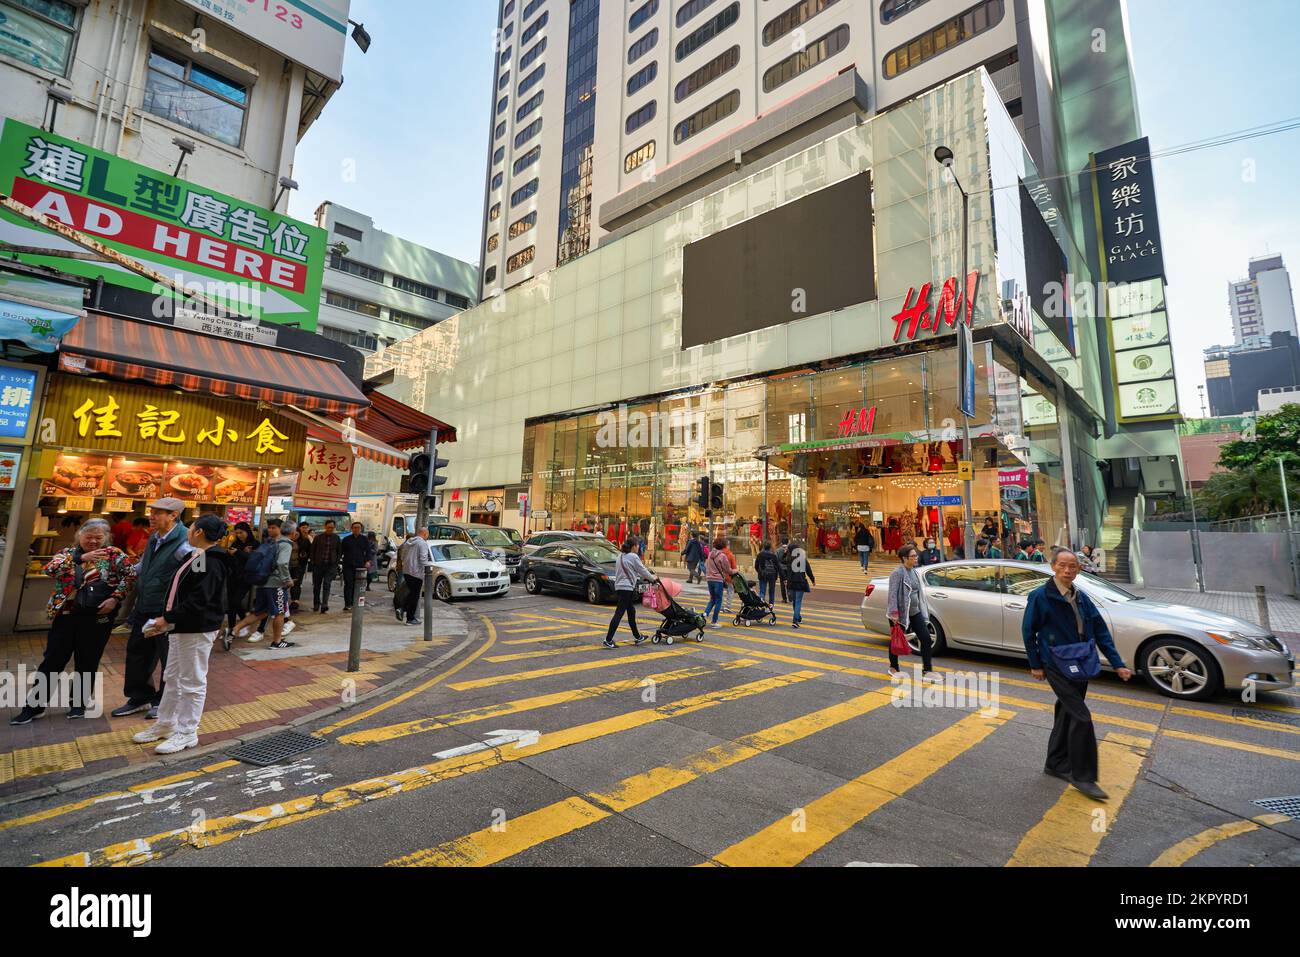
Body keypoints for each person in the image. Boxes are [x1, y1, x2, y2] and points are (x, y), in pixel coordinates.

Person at [1022, 547, 1132, 801]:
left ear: (1079, 569)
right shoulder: (1040, 596)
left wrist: (1117, 663)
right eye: (1063, 565)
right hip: (1055, 663)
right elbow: (1029, 632)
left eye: (1073, 566)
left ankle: (1055, 763)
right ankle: (1083, 777)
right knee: (1081, 718)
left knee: (1066, 712)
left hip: (1081, 661)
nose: (1068, 570)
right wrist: (1035, 664)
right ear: (1053, 567)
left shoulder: (1081, 597)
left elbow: (1101, 632)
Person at [10, 519, 135, 725]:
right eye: (89, 536)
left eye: (98, 537)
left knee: (88, 662)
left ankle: (78, 704)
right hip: (66, 616)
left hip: (98, 617)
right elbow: (49, 570)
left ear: (106, 538)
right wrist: (80, 558)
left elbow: (130, 576)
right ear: (79, 536)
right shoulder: (68, 553)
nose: (93, 541)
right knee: (52, 661)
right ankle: (33, 707)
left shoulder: (114, 554)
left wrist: (115, 598)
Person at [129, 514, 233, 755]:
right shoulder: (197, 555)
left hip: (197, 628)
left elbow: (199, 599)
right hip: (182, 626)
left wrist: (167, 618)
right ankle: (166, 723)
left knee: (192, 681)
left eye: (192, 527)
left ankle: (187, 732)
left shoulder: (211, 560)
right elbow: (182, 592)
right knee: (173, 676)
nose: (188, 530)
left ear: (198, 532)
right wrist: (168, 620)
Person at [111, 498, 190, 721]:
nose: (151, 516)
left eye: (158, 512)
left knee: (168, 658)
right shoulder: (155, 537)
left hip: (165, 609)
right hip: (144, 606)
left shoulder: (184, 540)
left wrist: (174, 611)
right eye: (151, 511)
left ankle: (165, 702)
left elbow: (189, 576)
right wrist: (120, 569)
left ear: (174, 515)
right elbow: (142, 566)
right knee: (138, 652)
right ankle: (139, 697)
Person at [232, 519, 295, 648]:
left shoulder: (269, 542)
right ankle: (277, 642)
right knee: (279, 613)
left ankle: (234, 630)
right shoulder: (285, 544)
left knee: (260, 612)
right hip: (275, 583)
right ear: (293, 532)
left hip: (262, 582)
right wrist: (287, 579)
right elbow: (282, 563)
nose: (271, 530)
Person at [886, 544, 940, 680]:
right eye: (913, 556)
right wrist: (894, 613)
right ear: (904, 558)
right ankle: (893, 667)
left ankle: (927, 670)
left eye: (916, 555)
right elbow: (892, 594)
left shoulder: (914, 571)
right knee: (896, 640)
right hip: (900, 614)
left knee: (926, 638)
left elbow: (918, 592)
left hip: (915, 612)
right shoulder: (897, 573)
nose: (916, 558)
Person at [603, 536, 656, 648]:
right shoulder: (633, 556)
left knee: (631, 612)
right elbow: (642, 570)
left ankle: (637, 636)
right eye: (637, 545)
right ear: (633, 547)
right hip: (627, 588)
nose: (638, 547)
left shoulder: (620, 556)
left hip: (620, 587)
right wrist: (653, 578)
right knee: (619, 613)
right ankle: (608, 639)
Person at [224, 522, 258, 637]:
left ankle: (244, 622)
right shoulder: (235, 543)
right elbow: (229, 558)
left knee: (236, 601)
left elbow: (254, 560)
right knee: (231, 605)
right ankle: (231, 628)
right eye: (237, 533)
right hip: (232, 576)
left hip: (246, 578)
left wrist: (238, 553)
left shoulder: (255, 544)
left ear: (247, 532)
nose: (239, 535)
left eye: (241, 532)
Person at [401, 527, 433, 625]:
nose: (427, 536)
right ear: (424, 534)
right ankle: (410, 618)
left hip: (406, 570)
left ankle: (403, 610)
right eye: (427, 534)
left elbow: (402, 556)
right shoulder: (422, 543)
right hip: (416, 572)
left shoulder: (408, 542)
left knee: (411, 593)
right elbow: (423, 559)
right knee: (414, 596)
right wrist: (429, 566)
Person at [310, 519, 343, 612]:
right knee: (316, 586)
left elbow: (339, 551)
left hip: (330, 566)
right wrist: (313, 562)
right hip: (318, 565)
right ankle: (316, 604)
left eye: (332, 528)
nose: (330, 529)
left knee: (327, 584)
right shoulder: (318, 538)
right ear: (325, 527)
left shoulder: (336, 538)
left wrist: (336, 562)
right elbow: (312, 550)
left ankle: (325, 604)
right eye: (328, 527)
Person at [341, 521, 375, 610]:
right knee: (348, 584)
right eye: (354, 528)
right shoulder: (346, 539)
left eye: (358, 528)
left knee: (359, 585)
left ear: (361, 529)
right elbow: (340, 552)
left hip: (360, 566)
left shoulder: (364, 539)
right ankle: (348, 604)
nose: (356, 529)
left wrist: (368, 561)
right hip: (348, 565)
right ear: (352, 529)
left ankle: (356, 603)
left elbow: (368, 552)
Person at [783, 540, 816, 628]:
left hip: (791, 583)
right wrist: (812, 579)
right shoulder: (802, 558)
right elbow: (808, 569)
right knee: (797, 602)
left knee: (795, 602)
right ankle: (795, 620)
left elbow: (781, 561)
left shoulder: (788, 559)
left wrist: (785, 553)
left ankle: (798, 617)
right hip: (800, 582)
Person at [704, 537, 732, 626]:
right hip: (718, 580)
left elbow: (706, 566)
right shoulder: (722, 556)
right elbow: (727, 569)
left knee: (712, 599)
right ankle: (714, 621)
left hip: (709, 579)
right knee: (719, 600)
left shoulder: (710, 554)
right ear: (723, 546)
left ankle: (705, 614)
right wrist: (735, 571)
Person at [290, 521, 312, 611]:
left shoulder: (305, 541)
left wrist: (305, 556)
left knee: (297, 583)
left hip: (299, 565)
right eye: (293, 532)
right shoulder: (286, 541)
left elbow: (310, 552)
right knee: (289, 584)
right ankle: (291, 600)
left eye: (297, 533)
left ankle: (295, 601)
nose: (295, 534)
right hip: (287, 566)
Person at [754, 540, 780, 606]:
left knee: (762, 591)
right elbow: (777, 567)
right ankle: (771, 607)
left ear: (763, 547)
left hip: (762, 575)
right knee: (771, 592)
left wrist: (759, 571)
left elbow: (756, 565)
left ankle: (761, 605)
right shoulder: (773, 556)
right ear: (770, 547)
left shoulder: (760, 555)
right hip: (772, 576)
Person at [721, 538, 738, 612]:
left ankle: (720, 606)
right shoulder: (730, 555)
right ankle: (728, 606)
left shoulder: (719, 553)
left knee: (720, 592)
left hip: (719, 576)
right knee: (730, 591)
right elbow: (734, 567)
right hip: (729, 576)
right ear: (727, 545)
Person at [775, 536, 791, 603]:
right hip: (789, 568)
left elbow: (776, 560)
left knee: (782, 584)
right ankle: (790, 597)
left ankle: (784, 599)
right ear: (788, 542)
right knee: (789, 583)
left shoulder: (778, 550)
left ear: (781, 543)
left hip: (781, 569)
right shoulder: (790, 550)